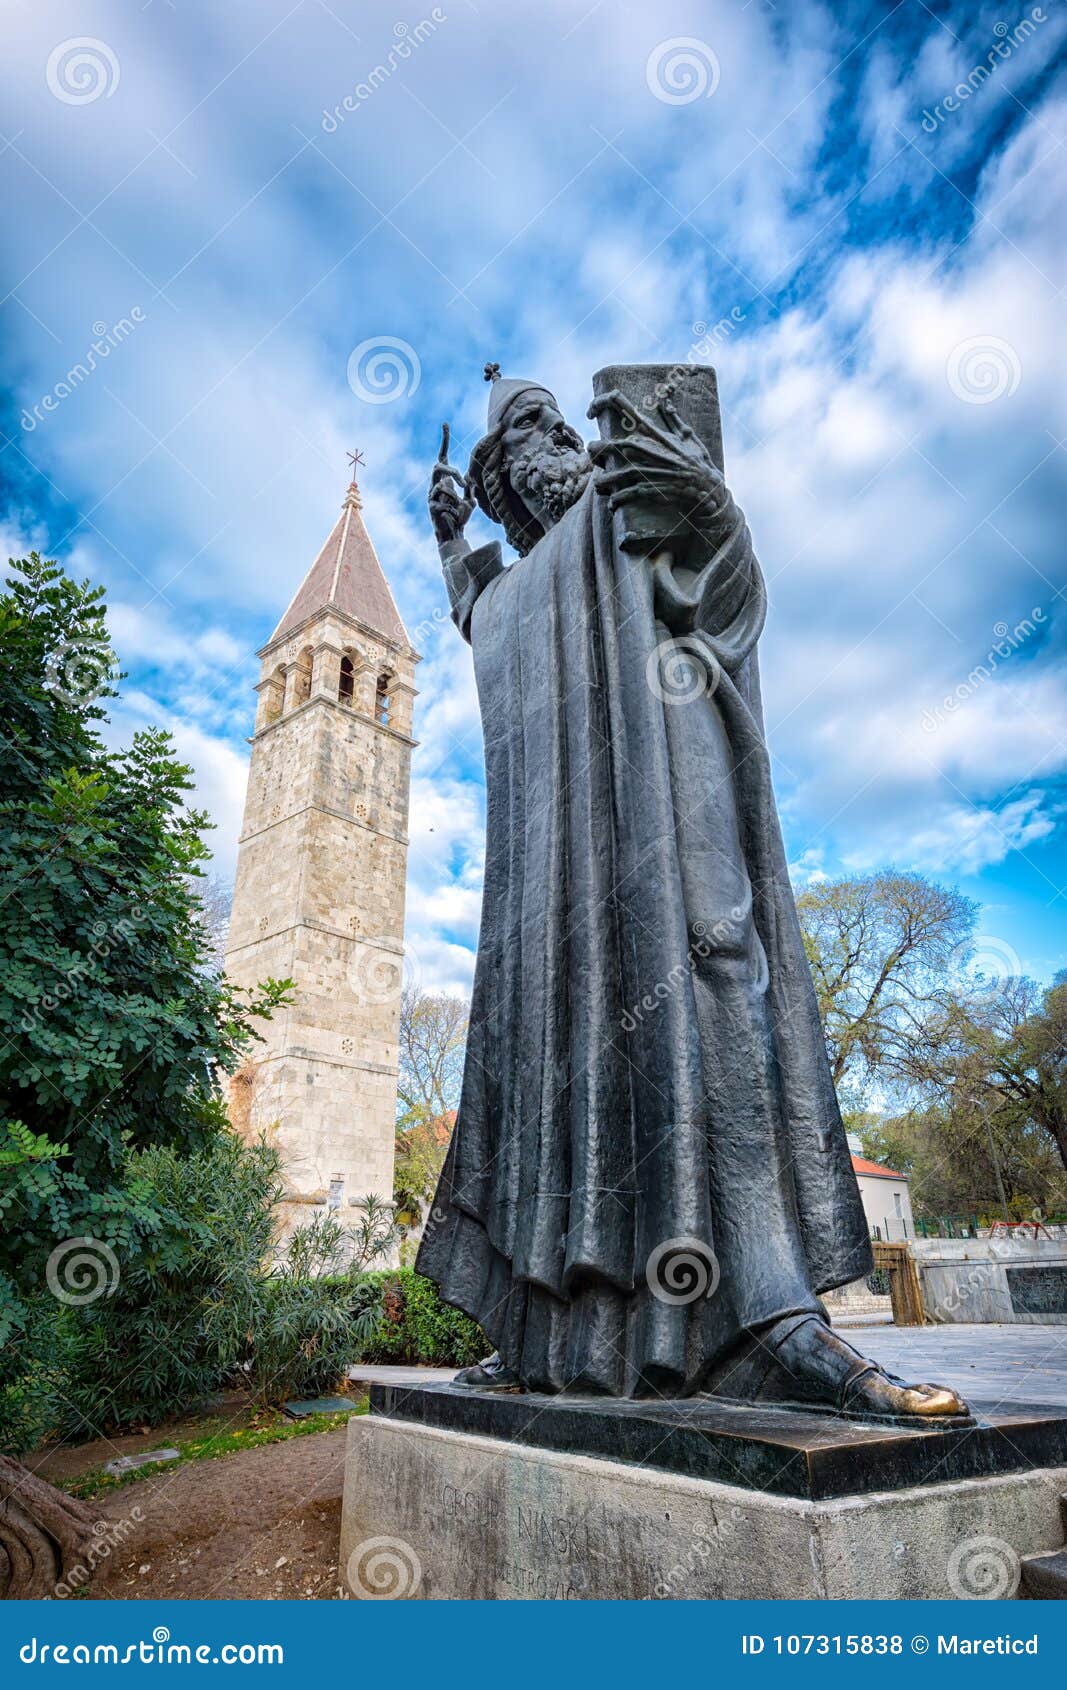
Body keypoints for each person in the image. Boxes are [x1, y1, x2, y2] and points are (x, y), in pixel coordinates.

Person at [416, 363, 969, 1424]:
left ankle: (769, 1311)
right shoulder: (521, 590)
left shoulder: (624, 507)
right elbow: (482, 621)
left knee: (717, 963)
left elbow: (714, 578)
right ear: (497, 487)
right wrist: (449, 546)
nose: (545, 443)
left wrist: (711, 507)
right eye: (515, 443)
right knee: (551, 1043)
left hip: (669, 777)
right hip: (559, 879)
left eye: (546, 422)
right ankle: (553, 1333)